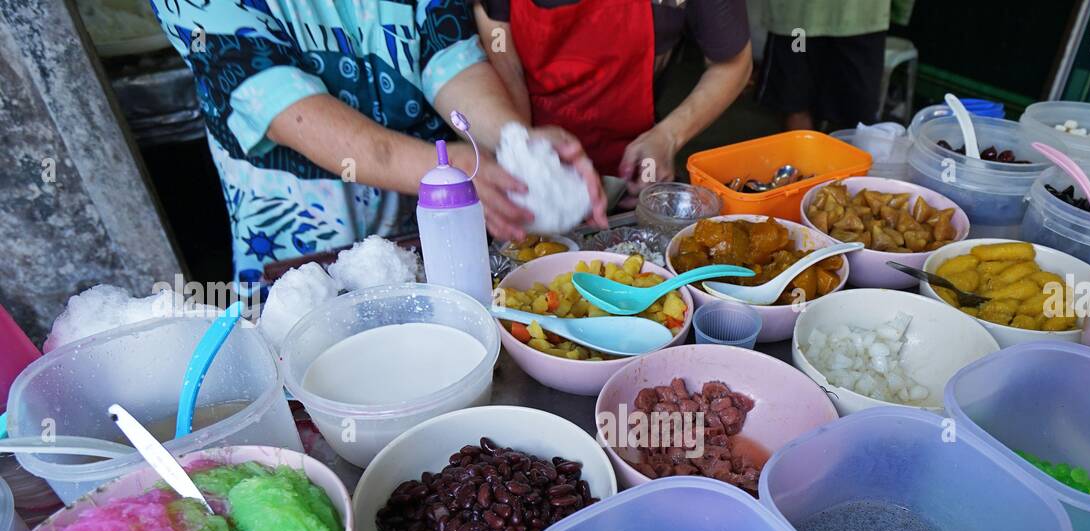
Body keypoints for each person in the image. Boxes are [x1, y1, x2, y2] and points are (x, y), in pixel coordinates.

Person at [153, 0, 606, 285]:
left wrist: (514, 142)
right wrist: (450, 166)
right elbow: (289, 113)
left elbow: (450, 60)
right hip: (301, 266)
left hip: (424, 245)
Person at [473, 0, 752, 195]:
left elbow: (733, 64)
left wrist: (668, 136)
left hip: (631, 172)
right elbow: (504, 60)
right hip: (531, 163)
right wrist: (522, 153)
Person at [753, 0, 911, 131]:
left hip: (798, 21)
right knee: (857, 113)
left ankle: (804, 165)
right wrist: (901, 9)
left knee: (795, 100)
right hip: (860, 18)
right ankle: (834, 165)